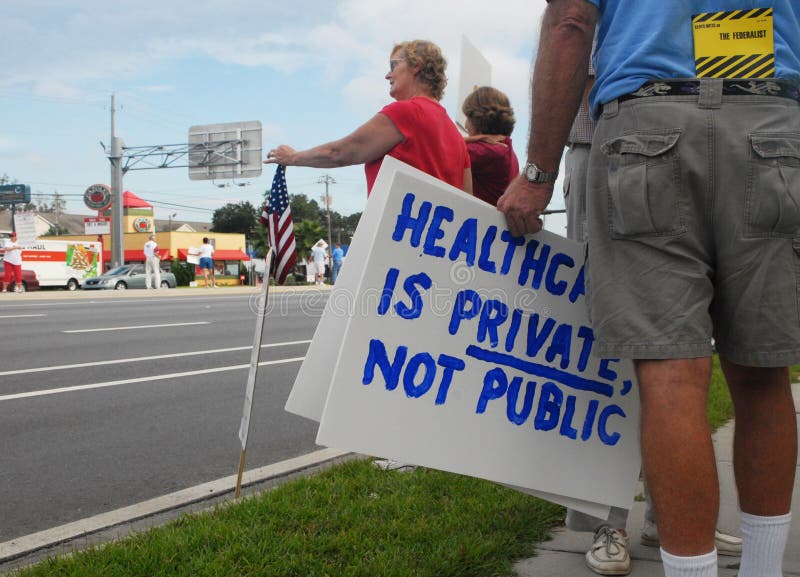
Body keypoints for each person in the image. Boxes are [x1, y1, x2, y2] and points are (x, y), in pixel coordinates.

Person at [499, 2, 799, 576]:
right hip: (771, 116)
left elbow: (570, 21)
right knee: (764, 374)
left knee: (670, 376)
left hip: (649, 123)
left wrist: (538, 172)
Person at [265, 39, 472, 195]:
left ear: (416, 65)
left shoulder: (406, 112)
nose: (388, 75)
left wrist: (292, 157)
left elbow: (340, 153)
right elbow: (467, 197)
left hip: (392, 235)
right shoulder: (457, 138)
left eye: (393, 66)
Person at [461, 86, 520, 206]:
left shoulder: (486, 152)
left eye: (468, 118)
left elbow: (442, 147)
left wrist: (472, 139)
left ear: (477, 119)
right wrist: (474, 138)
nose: (465, 125)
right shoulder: (505, 149)